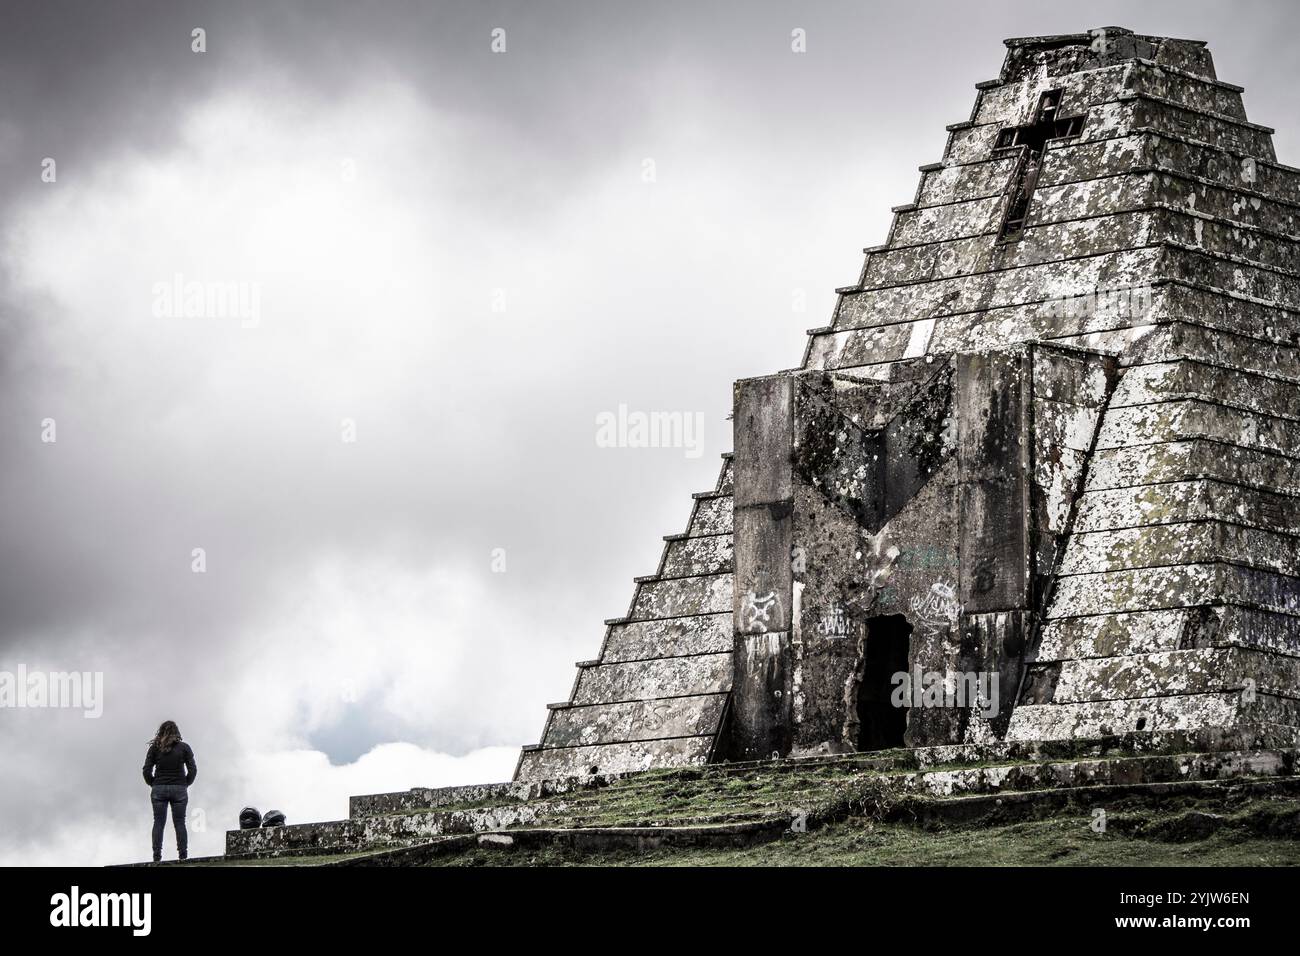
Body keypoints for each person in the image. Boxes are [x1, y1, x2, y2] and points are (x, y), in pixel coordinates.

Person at [141, 720, 197, 862]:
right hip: (179, 788)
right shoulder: (184, 748)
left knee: (158, 822)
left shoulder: (154, 748)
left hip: (159, 788)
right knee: (180, 822)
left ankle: (156, 857)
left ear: (160, 732)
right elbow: (193, 770)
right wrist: (185, 783)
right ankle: (183, 856)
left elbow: (146, 770)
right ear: (177, 732)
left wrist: (153, 783)